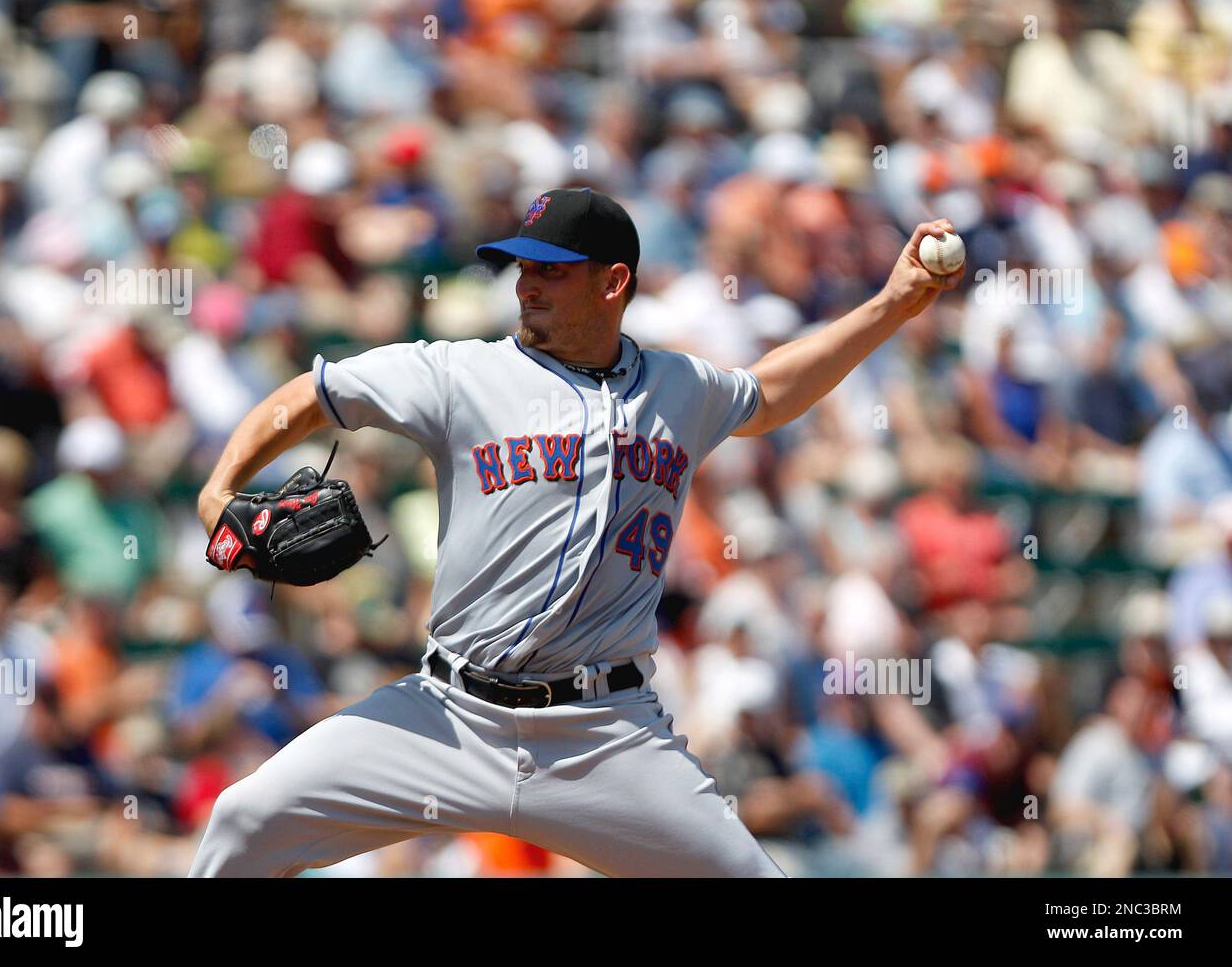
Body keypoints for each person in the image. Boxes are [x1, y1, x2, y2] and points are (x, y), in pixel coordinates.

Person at [189, 187, 965, 877]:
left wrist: (893, 304)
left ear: (613, 282)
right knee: (244, 822)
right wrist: (220, 490)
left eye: (550, 270)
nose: (525, 285)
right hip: (450, 718)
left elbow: (769, 393)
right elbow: (310, 396)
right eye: (521, 269)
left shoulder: (679, 388)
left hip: (604, 735)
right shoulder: (461, 373)